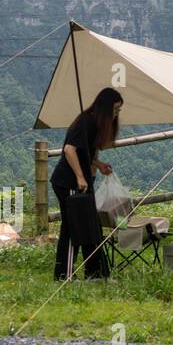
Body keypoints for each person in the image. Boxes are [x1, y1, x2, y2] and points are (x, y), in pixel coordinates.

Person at [51, 87, 122, 280]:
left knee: (90, 225)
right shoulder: (86, 121)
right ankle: (64, 274)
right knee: (73, 226)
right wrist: (80, 177)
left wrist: (98, 165)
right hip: (69, 182)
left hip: (81, 181)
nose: (117, 114)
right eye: (115, 109)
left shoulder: (93, 123)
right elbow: (69, 150)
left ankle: (96, 272)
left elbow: (84, 153)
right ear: (106, 107)